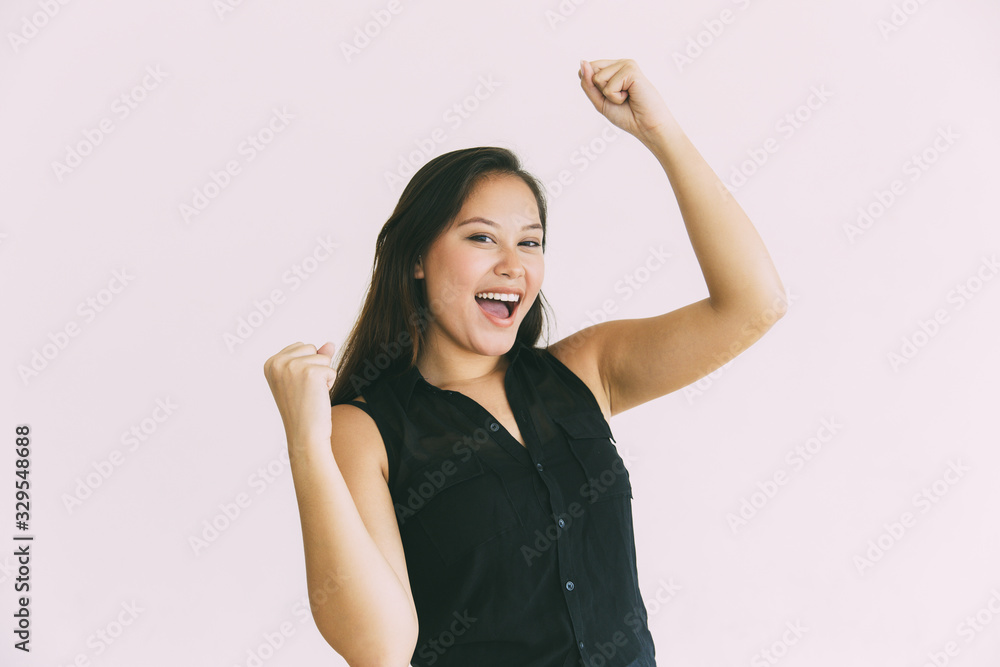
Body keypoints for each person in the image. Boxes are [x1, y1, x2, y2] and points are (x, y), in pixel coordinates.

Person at [263, 58, 787, 667]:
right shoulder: (364, 430)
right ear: (417, 258)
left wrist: (660, 133)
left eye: (530, 242)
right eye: (482, 237)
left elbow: (755, 303)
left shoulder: (584, 372)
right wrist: (305, 442)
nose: (513, 264)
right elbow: (379, 649)